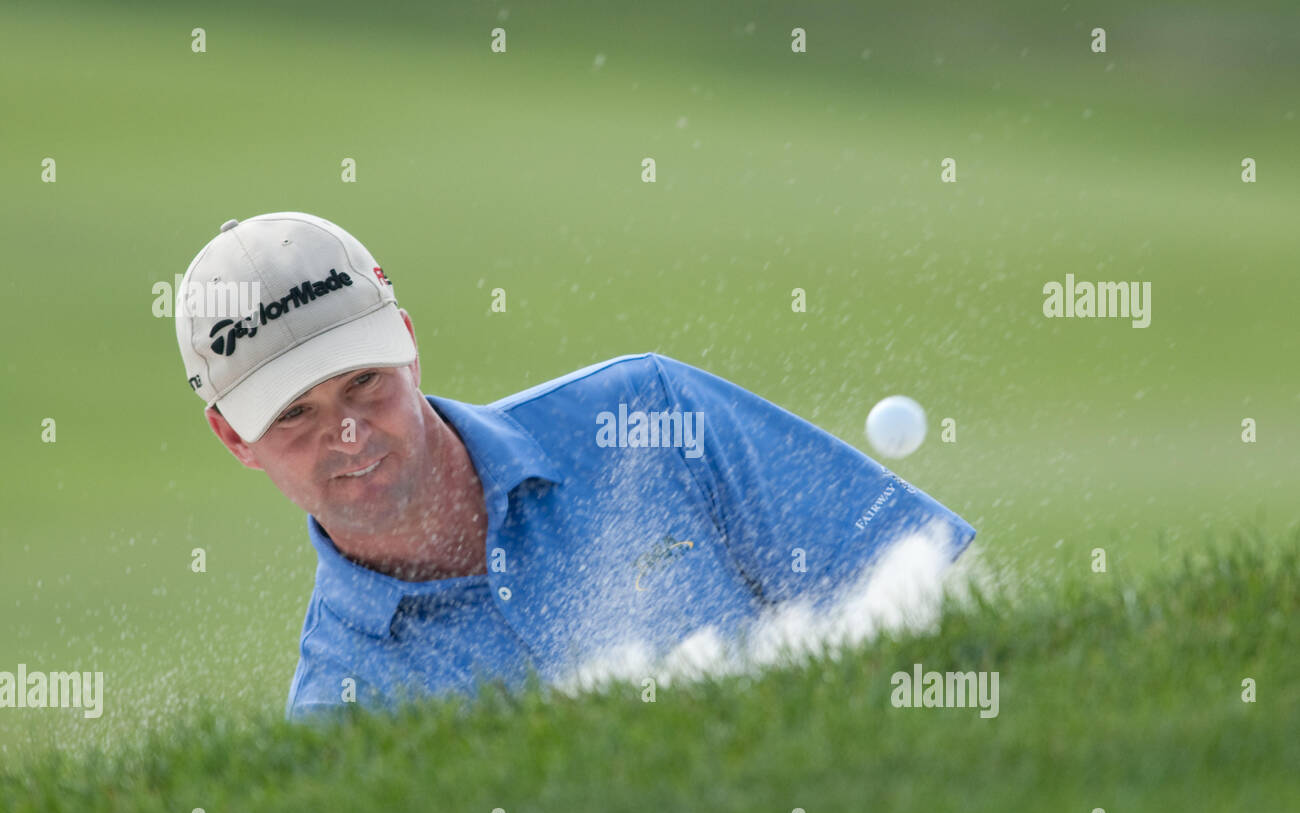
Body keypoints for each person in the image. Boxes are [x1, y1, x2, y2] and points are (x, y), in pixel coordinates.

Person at [175, 212, 976, 723]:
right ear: (232, 438)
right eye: (294, 417)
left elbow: (927, 589)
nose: (348, 434)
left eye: (364, 383)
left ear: (408, 345)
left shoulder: (649, 415)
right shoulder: (340, 712)